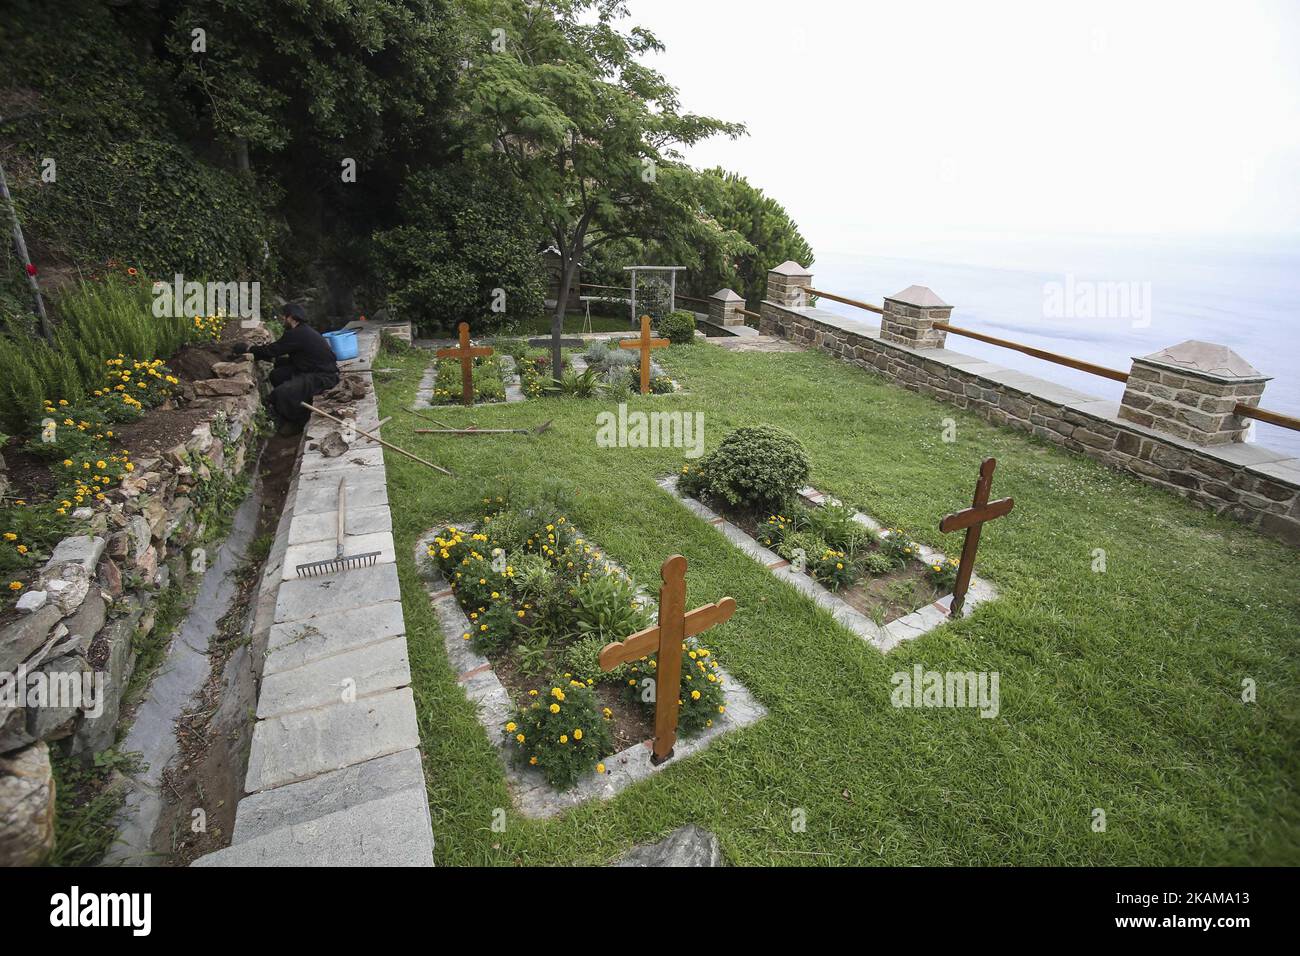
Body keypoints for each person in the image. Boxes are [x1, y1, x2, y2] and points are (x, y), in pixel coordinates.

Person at [232, 303, 339, 434]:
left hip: (323, 376)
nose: (282, 320)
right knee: (277, 375)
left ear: (291, 318)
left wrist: (248, 349)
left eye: (284, 317)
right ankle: (296, 403)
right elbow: (284, 352)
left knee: (282, 393)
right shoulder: (301, 331)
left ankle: (297, 421)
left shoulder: (297, 334)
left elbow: (273, 350)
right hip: (310, 368)